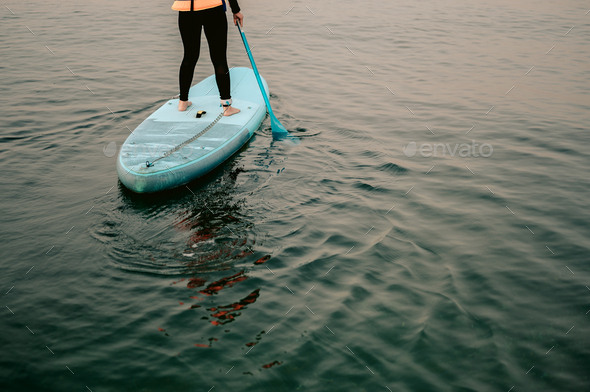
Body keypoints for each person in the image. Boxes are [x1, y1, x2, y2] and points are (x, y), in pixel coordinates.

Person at [172, 0, 244, 116]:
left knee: (189, 57)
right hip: (213, 8)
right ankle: (226, 106)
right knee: (219, 58)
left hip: (187, 10)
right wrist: (235, 10)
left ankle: (183, 102)